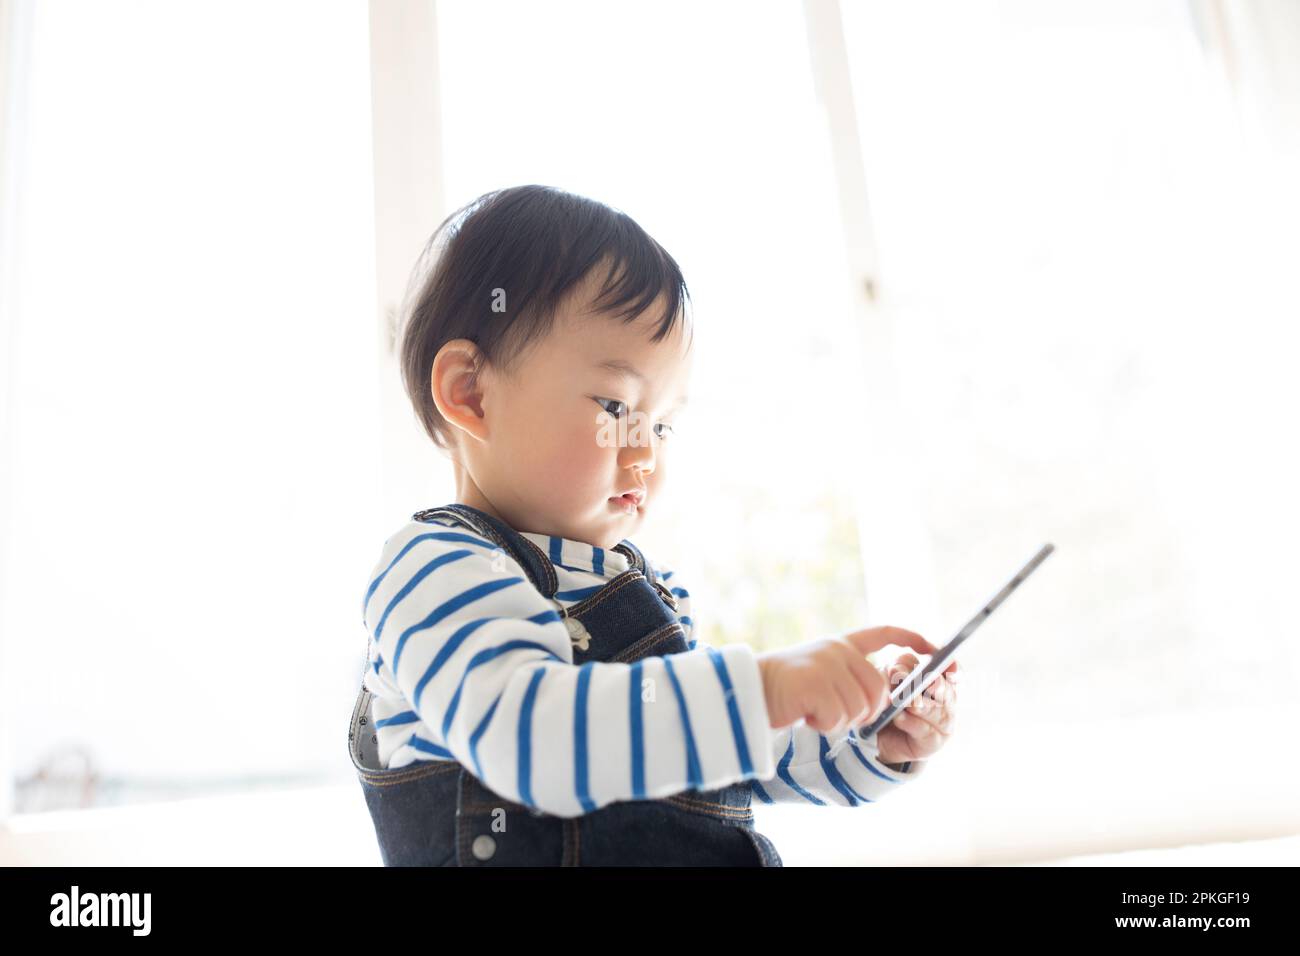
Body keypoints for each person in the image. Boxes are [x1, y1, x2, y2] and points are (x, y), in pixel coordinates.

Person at [346, 184, 959, 866]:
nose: (648, 451)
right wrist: (764, 686)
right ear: (471, 392)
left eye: (663, 422)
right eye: (616, 405)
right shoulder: (436, 567)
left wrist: (866, 729)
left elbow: (727, 751)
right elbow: (527, 735)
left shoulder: (646, 593)